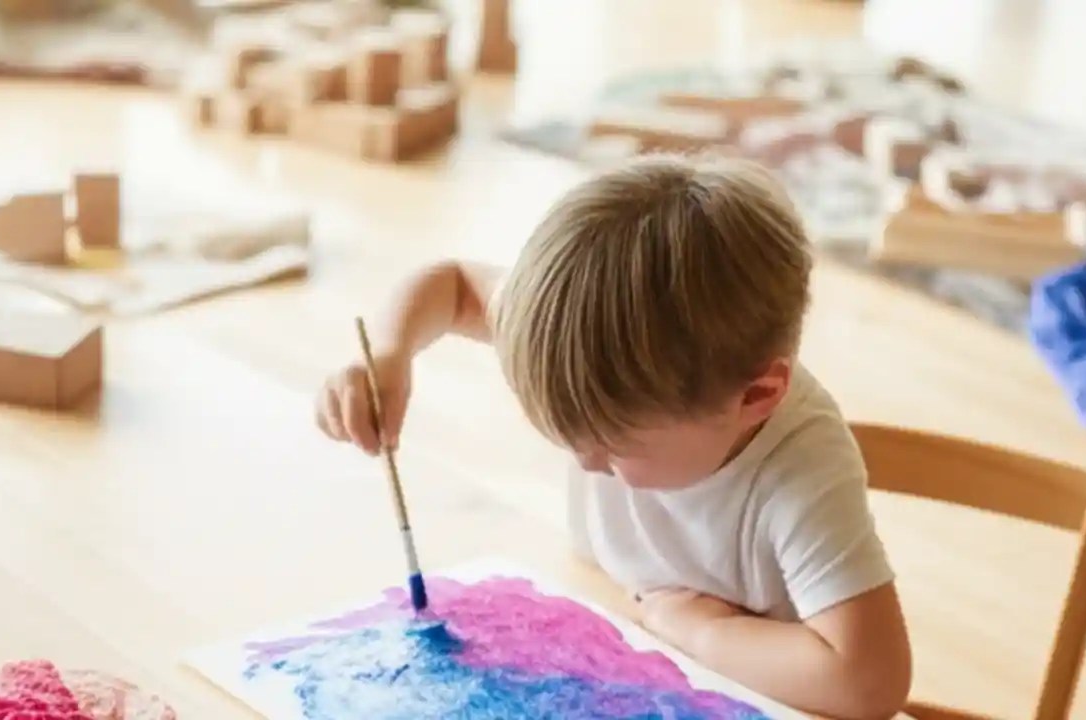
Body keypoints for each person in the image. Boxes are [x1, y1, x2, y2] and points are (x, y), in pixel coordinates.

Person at [315, 154, 912, 719]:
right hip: (614, 623)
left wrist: (700, 629)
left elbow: (868, 680)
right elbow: (456, 285)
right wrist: (392, 354)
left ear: (755, 398)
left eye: (612, 444)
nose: (583, 459)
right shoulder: (595, 345)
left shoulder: (801, 474)